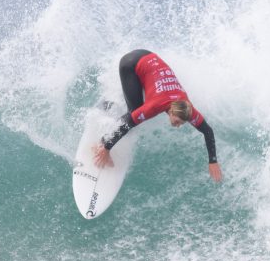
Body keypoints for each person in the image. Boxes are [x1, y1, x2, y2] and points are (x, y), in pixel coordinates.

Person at [92, 49, 222, 182]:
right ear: (171, 111)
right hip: (130, 64)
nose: (178, 126)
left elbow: (207, 131)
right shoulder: (154, 106)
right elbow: (127, 122)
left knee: (136, 110)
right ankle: (105, 114)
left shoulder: (187, 109)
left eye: (181, 123)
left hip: (148, 57)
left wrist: (213, 161)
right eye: (177, 121)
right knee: (134, 112)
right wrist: (106, 147)